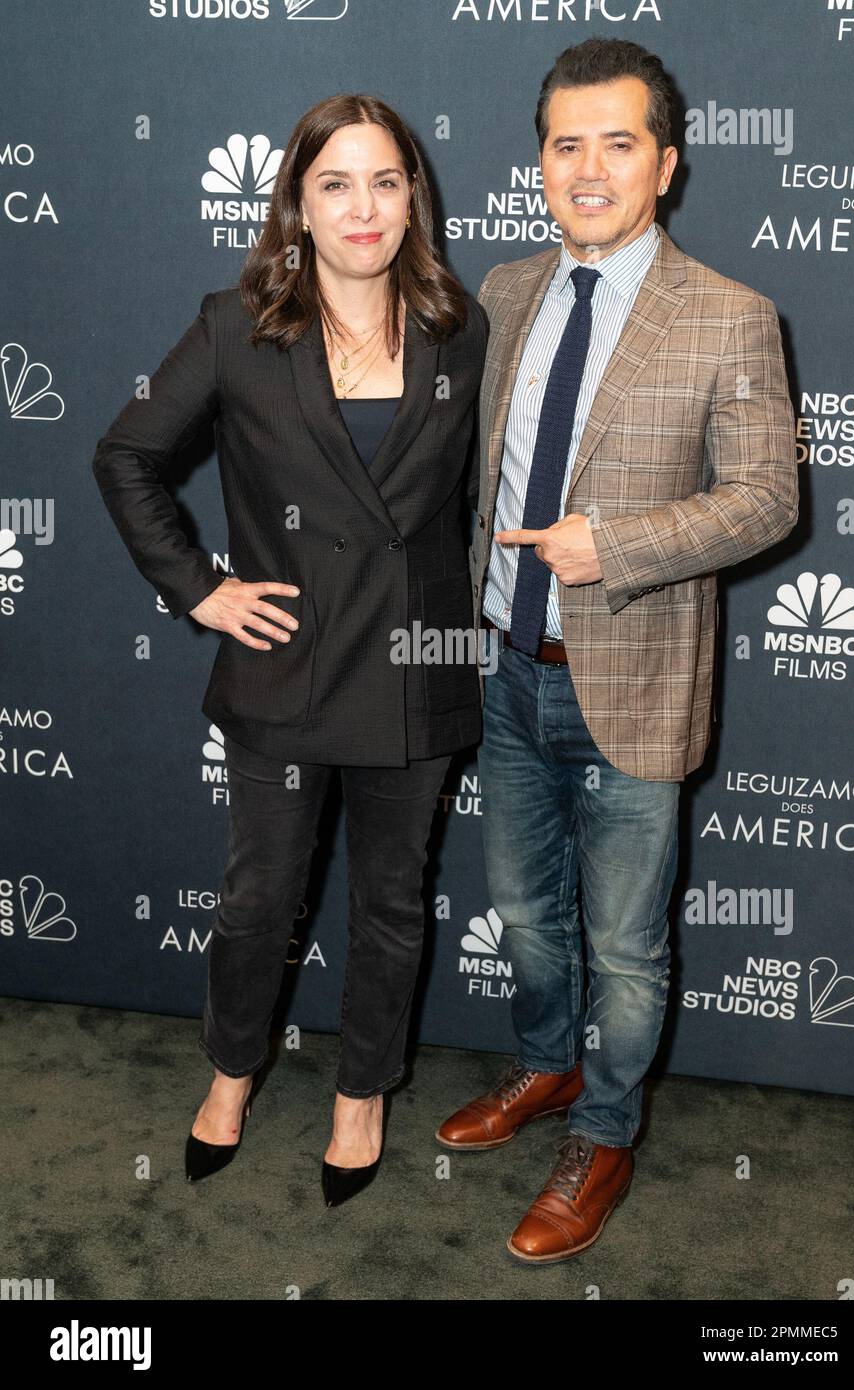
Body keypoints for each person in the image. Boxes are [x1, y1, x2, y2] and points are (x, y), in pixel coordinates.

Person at [437, 38, 798, 1263]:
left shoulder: (733, 314)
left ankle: (602, 1129)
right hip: (504, 670)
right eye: (565, 143)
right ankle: (543, 1067)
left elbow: (766, 501)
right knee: (529, 921)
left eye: (618, 142)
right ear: (541, 160)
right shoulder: (505, 291)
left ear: (668, 163)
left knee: (628, 947)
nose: (588, 168)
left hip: (635, 686)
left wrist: (621, 545)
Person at [92, 93, 487, 1207]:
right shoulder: (238, 324)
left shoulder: (466, 327)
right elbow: (124, 457)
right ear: (297, 206)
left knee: (393, 903)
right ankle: (231, 1073)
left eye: (386, 181)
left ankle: (362, 1095)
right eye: (335, 184)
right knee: (259, 899)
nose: (364, 208)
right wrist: (202, 591)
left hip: (415, 666)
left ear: (415, 196)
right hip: (287, 664)